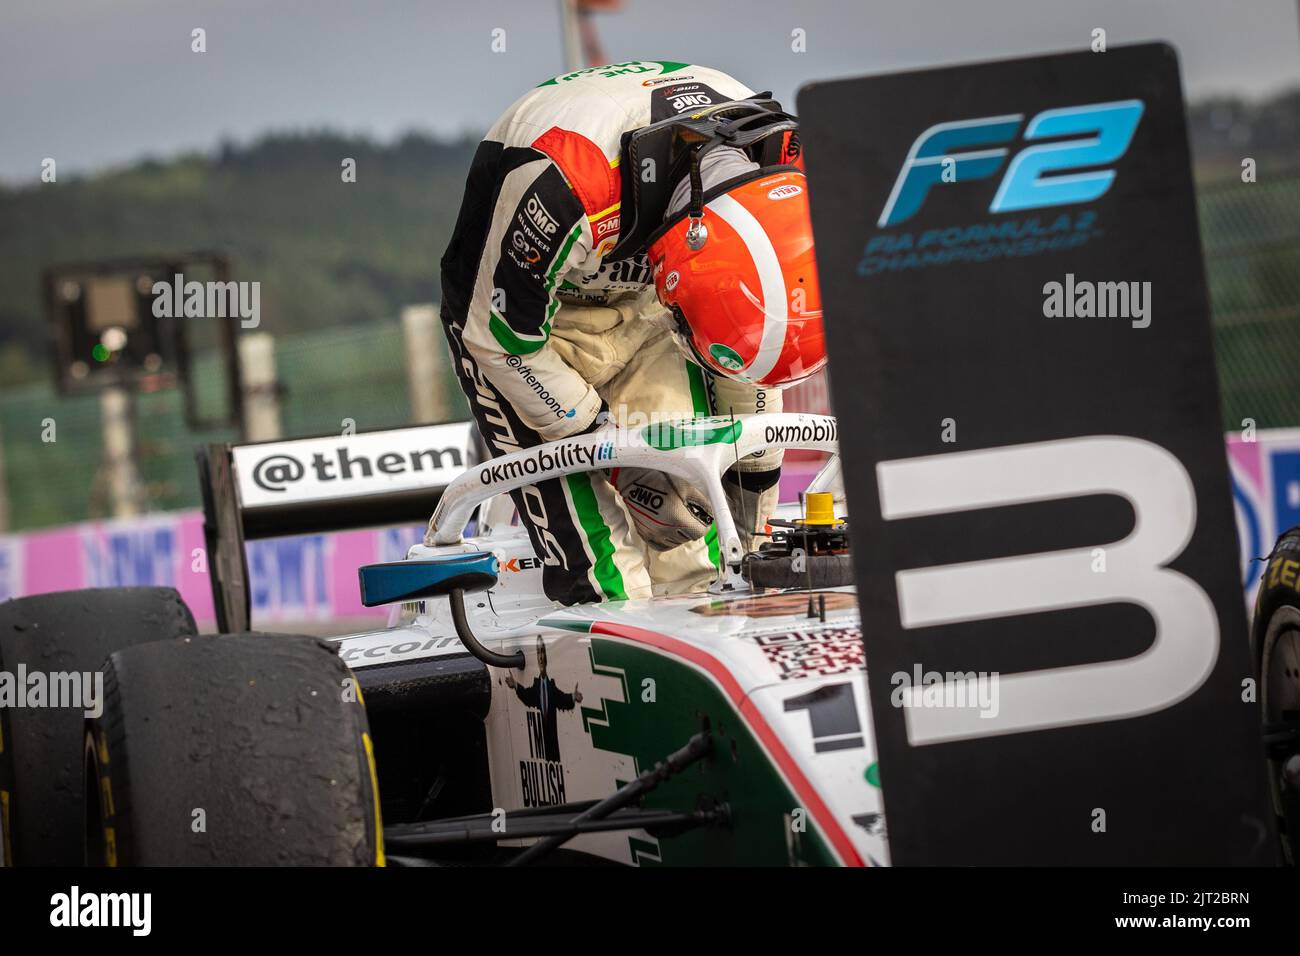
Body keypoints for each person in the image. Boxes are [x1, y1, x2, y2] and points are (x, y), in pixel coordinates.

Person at [434, 60, 825, 605]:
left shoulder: (790, 168)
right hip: (519, 331)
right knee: (606, 576)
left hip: (648, 305)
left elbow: (750, 373)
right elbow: (500, 339)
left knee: (700, 543)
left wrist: (752, 528)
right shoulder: (561, 184)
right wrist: (615, 454)